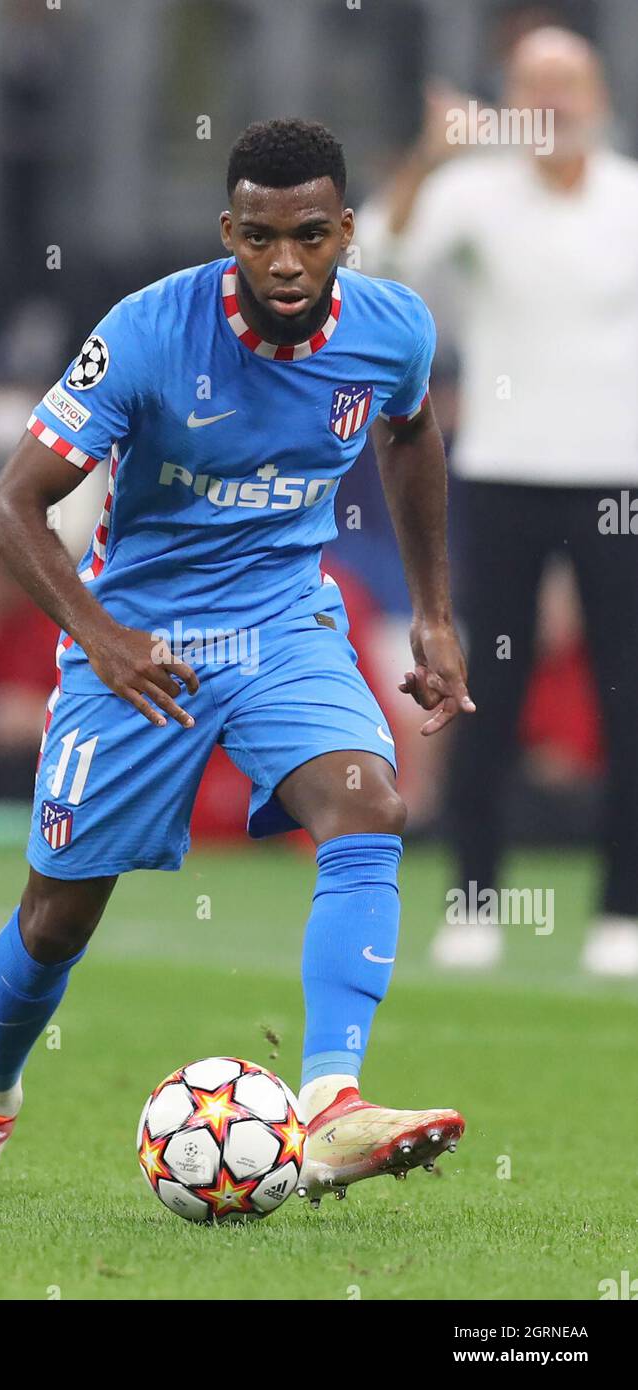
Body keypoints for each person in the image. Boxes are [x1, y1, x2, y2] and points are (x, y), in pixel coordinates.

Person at [0, 119, 473, 1209]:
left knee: (367, 806)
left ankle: (330, 1104)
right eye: (259, 236)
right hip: (139, 637)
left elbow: (407, 436)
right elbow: (11, 506)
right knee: (55, 919)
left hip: (280, 620)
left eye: (309, 235)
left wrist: (435, 613)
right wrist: (103, 635)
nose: (282, 261)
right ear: (228, 231)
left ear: (344, 233)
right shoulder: (146, 334)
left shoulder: (391, 329)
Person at [357, 27, 638, 976]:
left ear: (598, 95)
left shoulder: (631, 200)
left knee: (625, 695)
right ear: (510, 94)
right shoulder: (472, 193)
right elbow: (377, 269)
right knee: (480, 686)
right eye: (535, 85)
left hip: (617, 477)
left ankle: (623, 913)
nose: (553, 103)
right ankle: (475, 901)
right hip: (504, 466)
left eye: (569, 84)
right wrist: (432, 157)